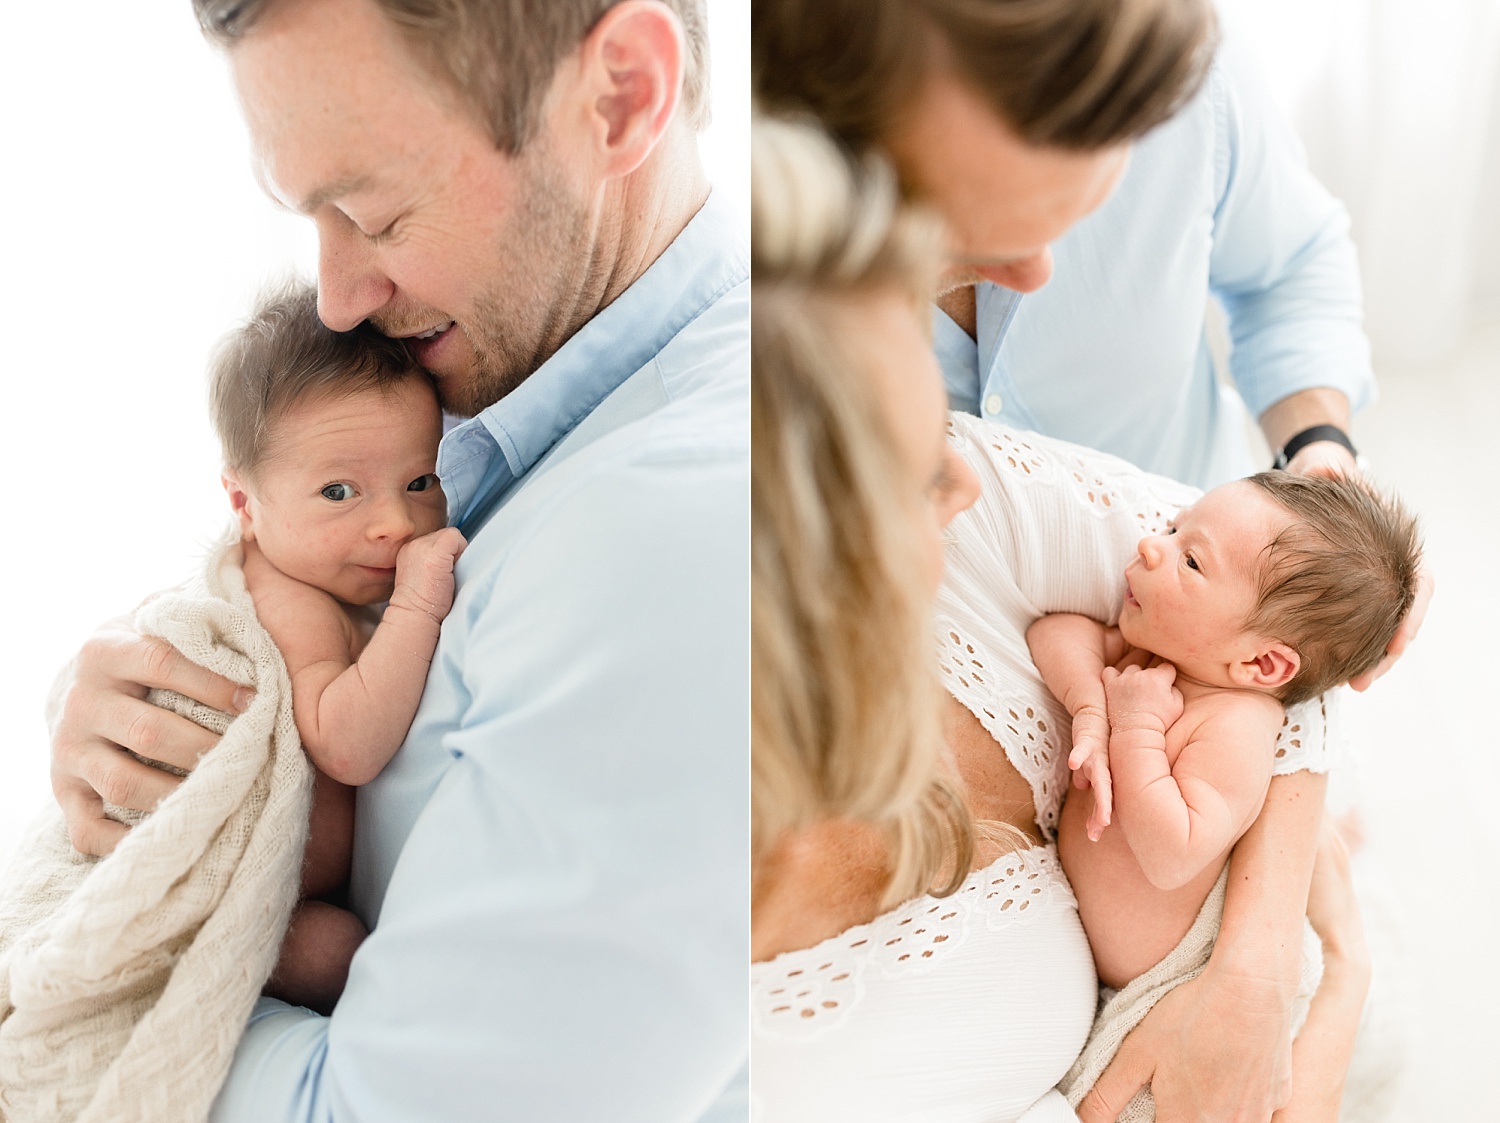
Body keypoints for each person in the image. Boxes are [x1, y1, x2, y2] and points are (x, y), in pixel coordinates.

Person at [45, 0, 748, 1118]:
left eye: (373, 211)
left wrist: (118, 970)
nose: (336, 297)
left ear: (619, 93)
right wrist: (144, 718)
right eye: (311, 217)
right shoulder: (506, 414)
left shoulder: (675, 531)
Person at [753, 1, 1427, 1115]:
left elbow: (1295, 683)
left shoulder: (1166, 81)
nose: (1037, 273)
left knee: (1380, 1012)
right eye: (962, 226)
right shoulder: (786, 318)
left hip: (1245, 614)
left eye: (1081, 205)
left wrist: (1267, 965)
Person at [1028, 472, 1419, 991]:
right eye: (1172, 529)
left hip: (1162, 981)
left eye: (1190, 560)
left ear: (1261, 663)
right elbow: (1053, 631)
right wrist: (1089, 705)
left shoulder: (1236, 729)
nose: (1150, 545)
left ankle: (1344, 881)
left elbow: (1173, 854)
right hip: (1073, 916)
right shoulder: (1157, 646)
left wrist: (1137, 727)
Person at [207, 283, 466, 1014]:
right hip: (245, 888)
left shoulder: (325, 566)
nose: (392, 522)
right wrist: (417, 602)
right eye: (338, 492)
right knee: (333, 954)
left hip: (306, 888)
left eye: (420, 480)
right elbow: (346, 743)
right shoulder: (291, 599)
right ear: (244, 506)